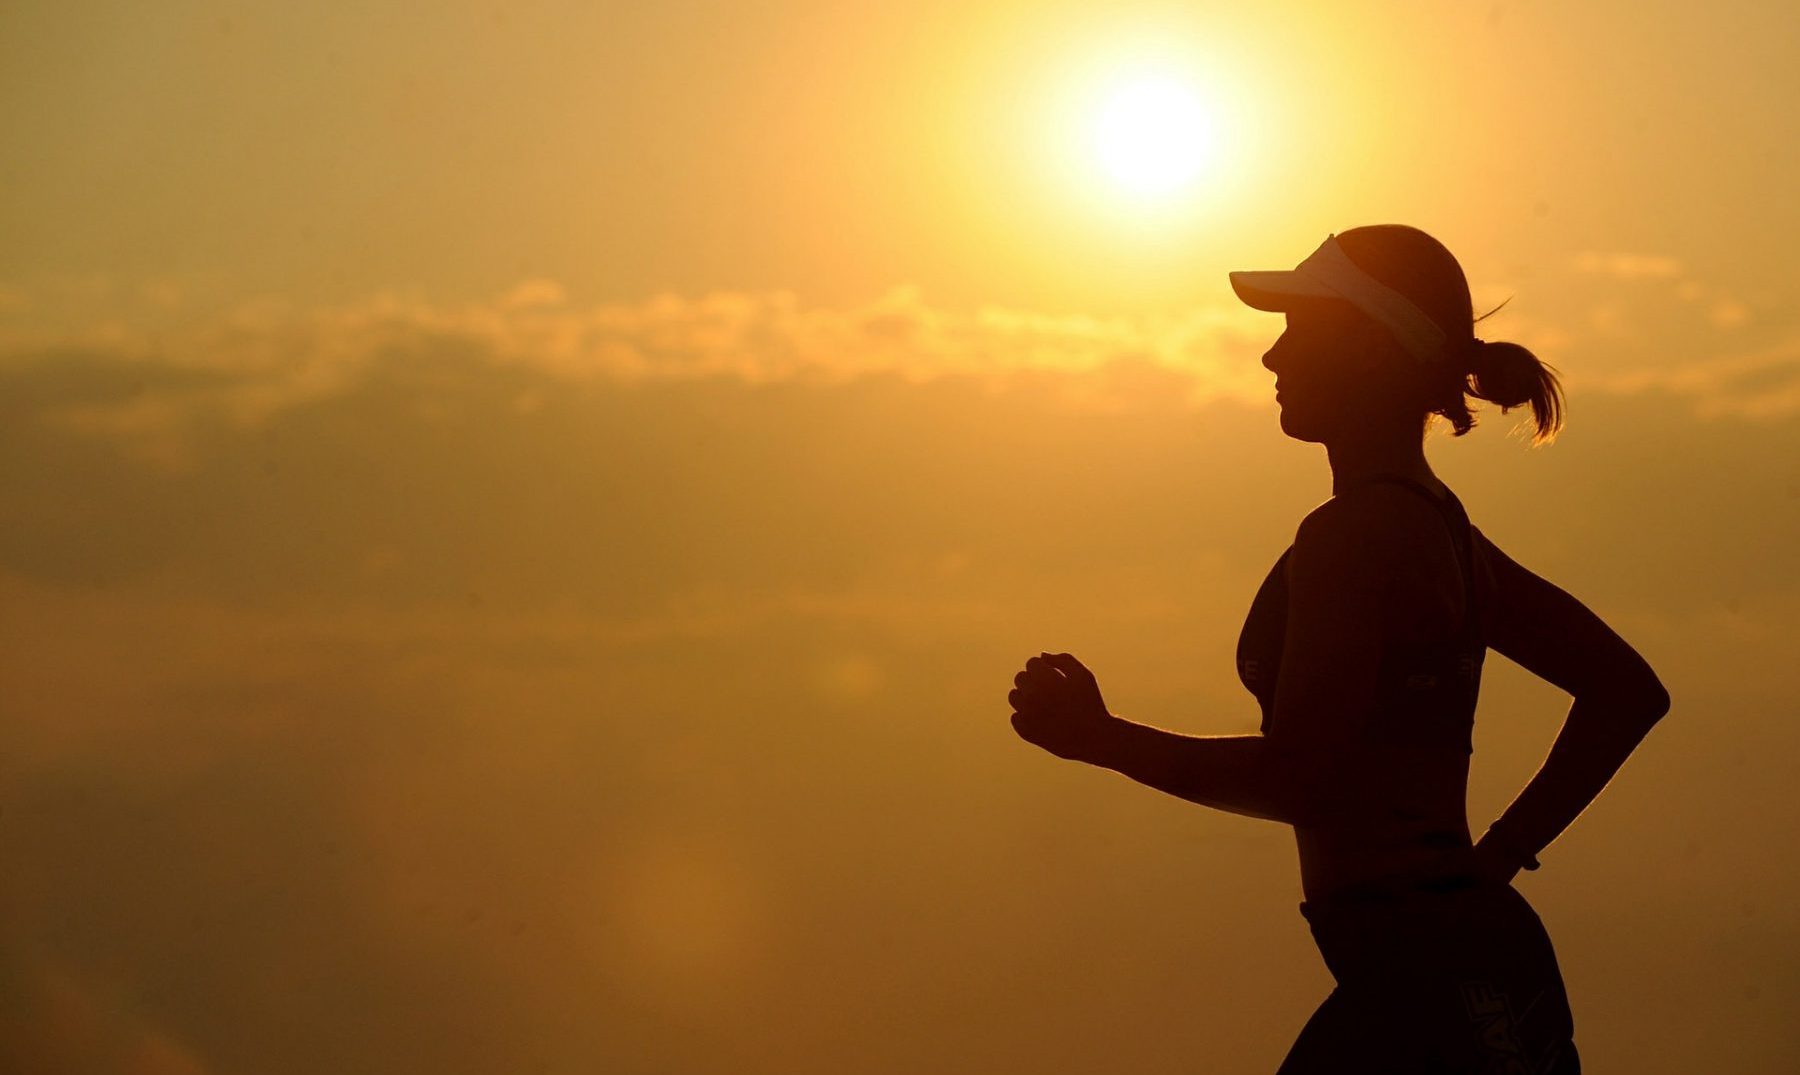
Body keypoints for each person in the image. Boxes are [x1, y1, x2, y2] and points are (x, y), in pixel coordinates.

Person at [1006, 225, 1671, 1073]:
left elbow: (1300, 778)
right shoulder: (1441, 529)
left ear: (1366, 346)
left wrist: (1104, 741)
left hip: (1427, 986)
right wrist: (1496, 858)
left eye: (1297, 328)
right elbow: (1626, 690)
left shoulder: (1356, 535)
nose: (1271, 359)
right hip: (1458, 969)